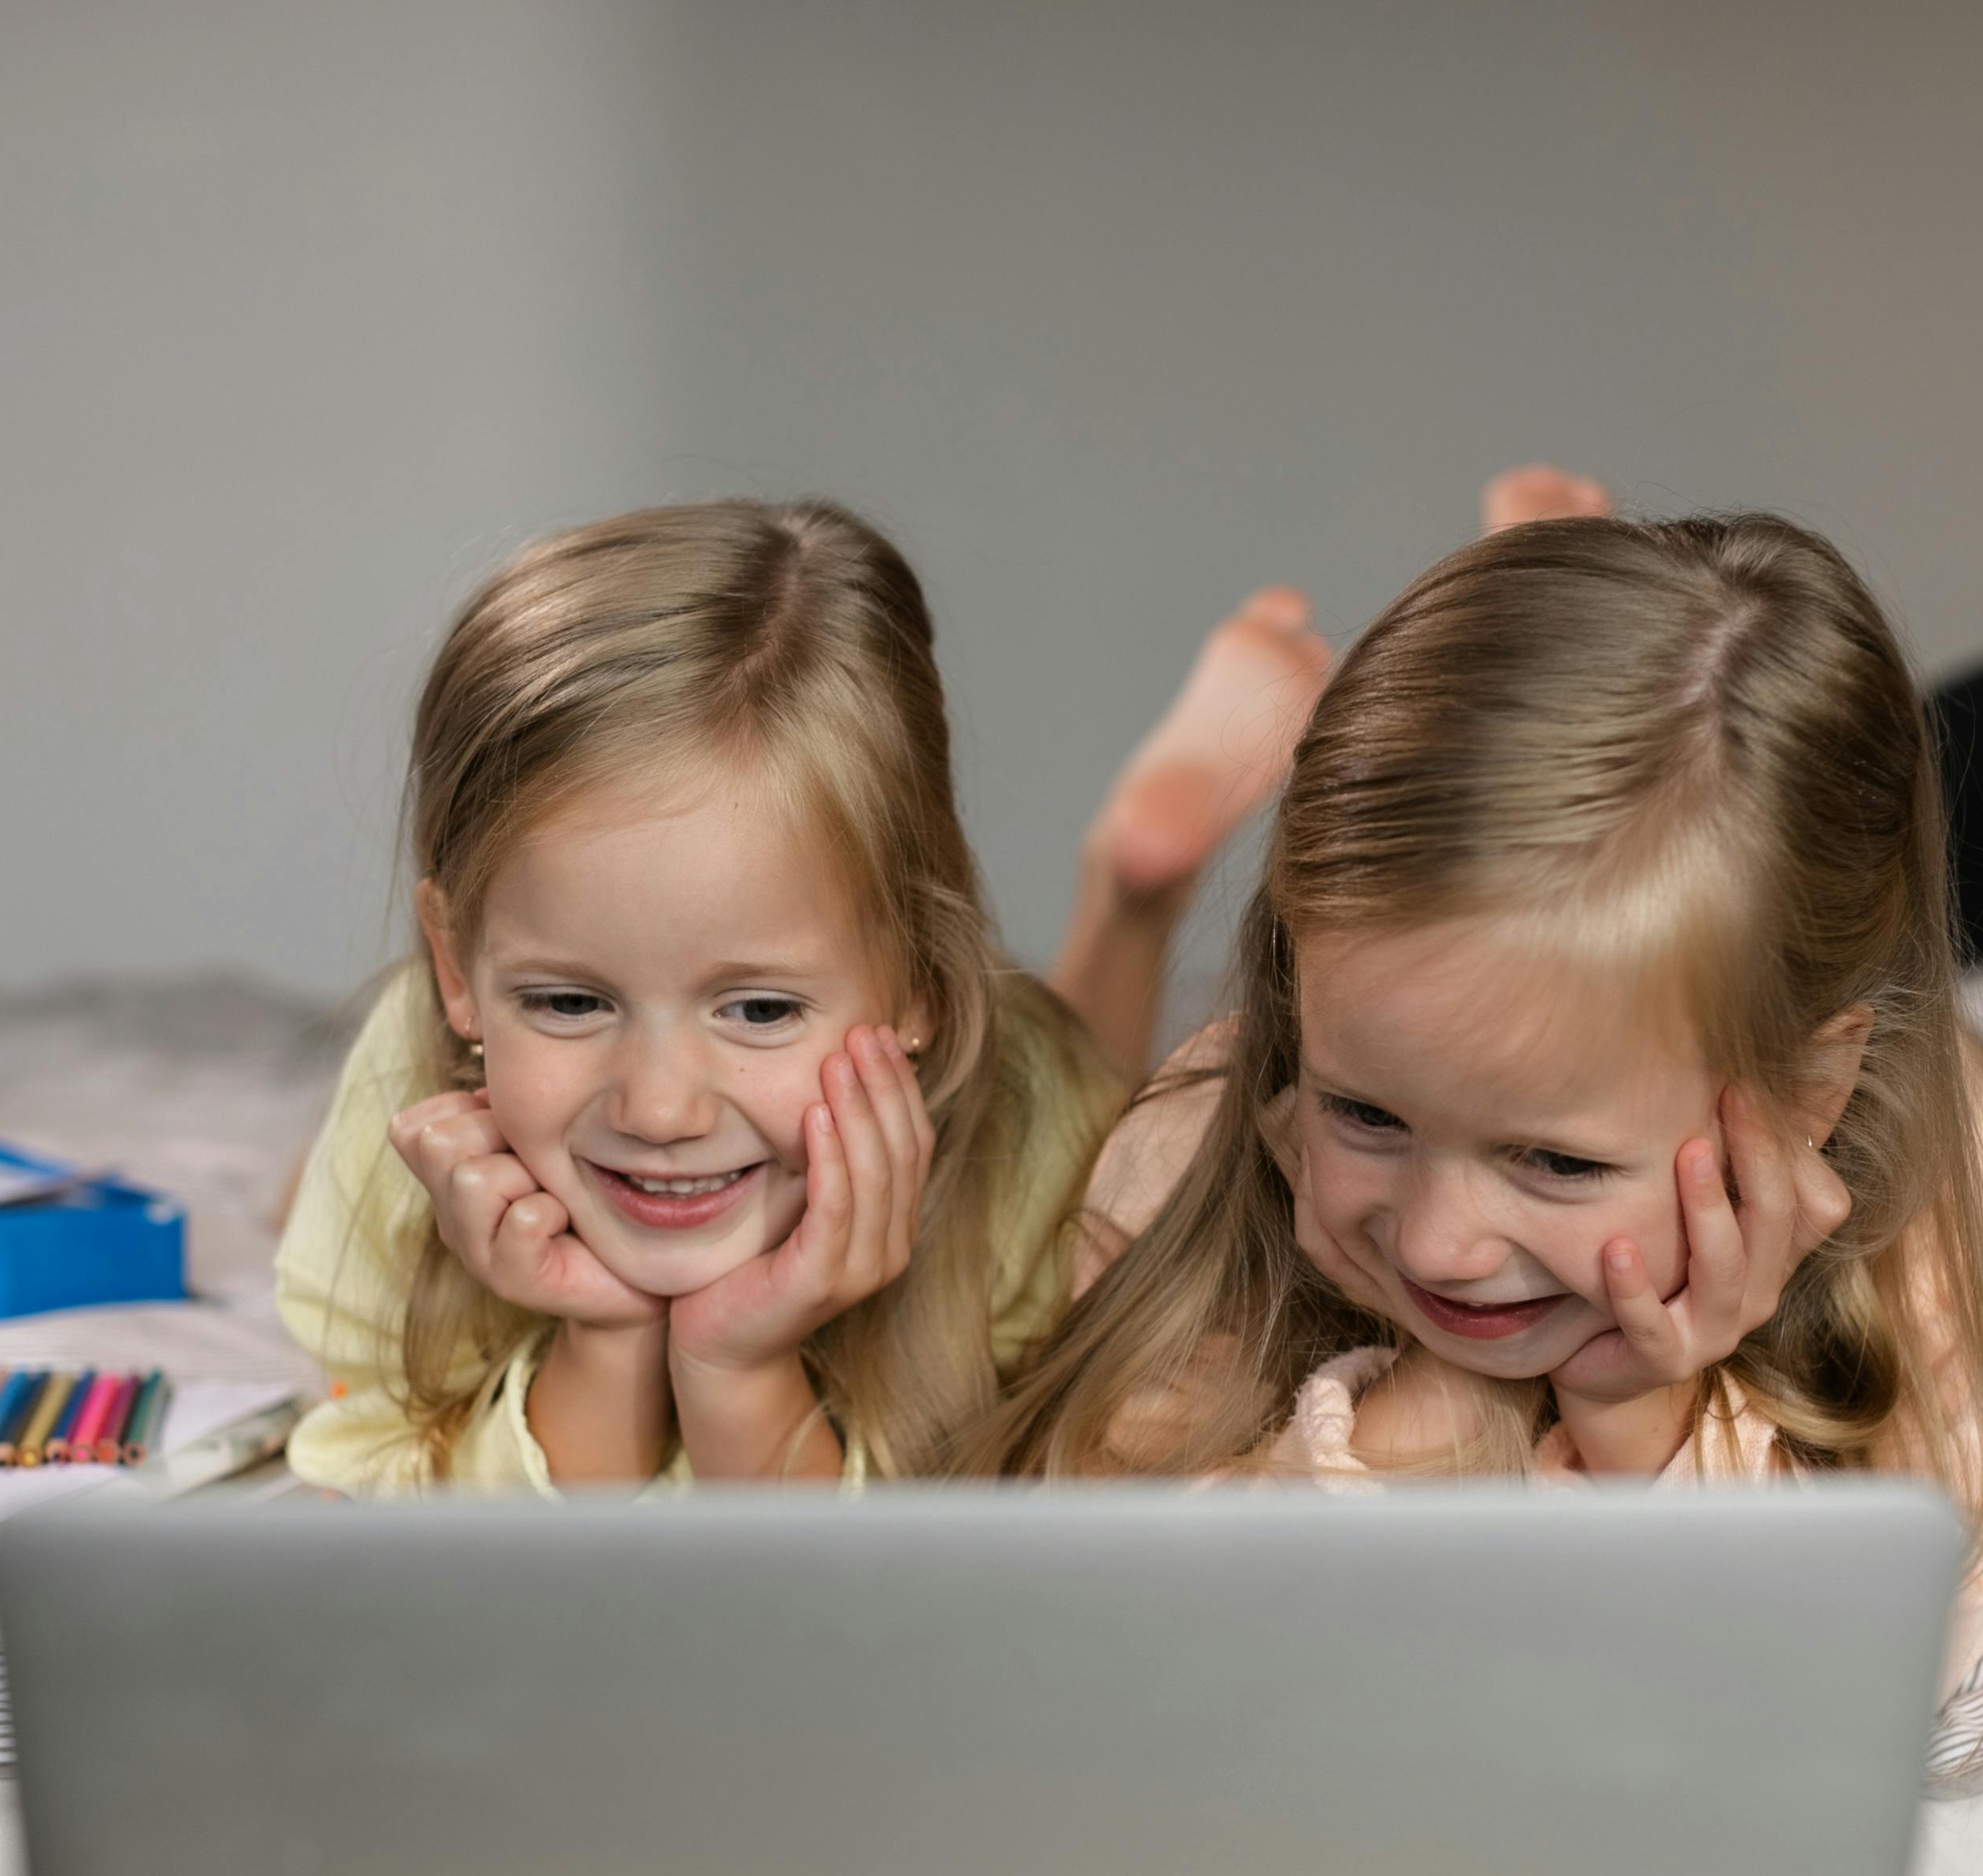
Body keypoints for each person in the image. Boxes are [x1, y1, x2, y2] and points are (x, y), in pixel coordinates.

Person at [969, 506, 1983, 1689]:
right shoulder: (1214, 1128)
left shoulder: (1904, 1211)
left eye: (1555, 1161)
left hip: (1911, 1154)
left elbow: (1870, 1674)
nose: (1436, 1243)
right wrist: (1442, 1400)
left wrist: (1641, 1417)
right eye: (1367, 1113)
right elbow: (1131, 1634)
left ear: (1805, 1097)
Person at [274, 496, 1313, 1493]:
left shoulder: (1031, 1182)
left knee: (1112, 1109)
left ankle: (1131, 897)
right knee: (293, 1204)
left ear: (922, 979)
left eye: (759, 1011)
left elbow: (875, 1613)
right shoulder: (413, 1098)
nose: (660, 1111)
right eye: (568, 1003)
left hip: (1028, 1091)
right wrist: (608, 1340)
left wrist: (736, 1365)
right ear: (456, 971)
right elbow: (402, 1527)